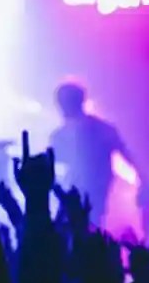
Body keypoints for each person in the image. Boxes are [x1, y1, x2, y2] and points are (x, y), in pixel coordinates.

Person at [47, 81, 136, 228]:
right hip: (73, 194)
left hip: (90, 194)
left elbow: (125, 153)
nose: (60, 107)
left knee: (88, 227)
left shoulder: (98, 130)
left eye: (62, 102)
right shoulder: (60, 135)